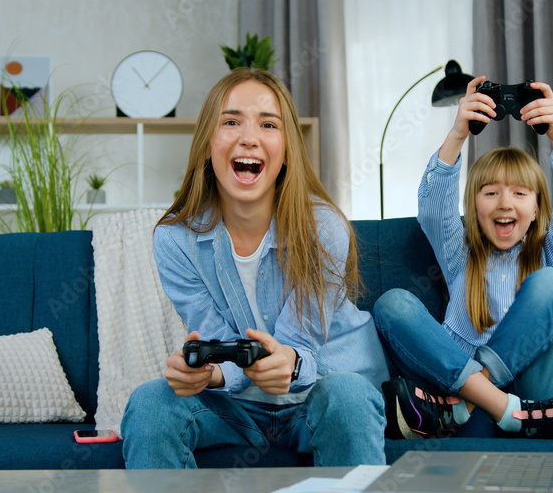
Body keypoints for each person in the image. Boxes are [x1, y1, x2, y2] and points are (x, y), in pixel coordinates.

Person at [121, 68, 389, 468]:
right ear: (208, 143)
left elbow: (301, 346)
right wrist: (206, 373)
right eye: (231, 122)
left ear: (287, 150)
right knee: (150, 402)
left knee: (348, 396)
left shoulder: (325, 229)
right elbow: (218, 342)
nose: (248, 137)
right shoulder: (175, 240)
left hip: (322, 388)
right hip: (235, 407)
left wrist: (289, 363)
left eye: (268, 124)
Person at [374, 76, 553, 440]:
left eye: (520, 193)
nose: (505, 203)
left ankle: (470, 403)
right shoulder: (461, 255)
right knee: (391, 304)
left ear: (537, 210)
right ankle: (504, 410)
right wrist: (458, 133)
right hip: (479, 387)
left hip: (540, 398)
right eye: (491, 192)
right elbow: (432, 208)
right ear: (474, 207)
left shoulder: (549, 253)